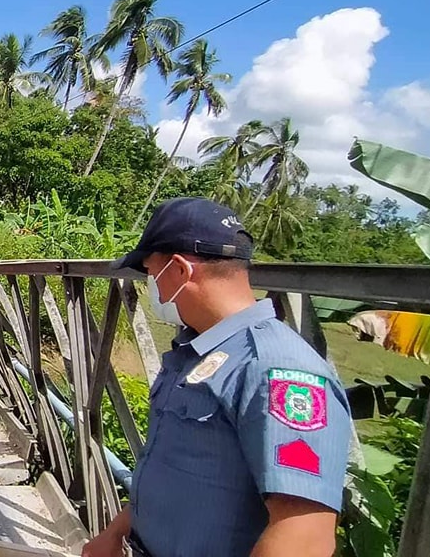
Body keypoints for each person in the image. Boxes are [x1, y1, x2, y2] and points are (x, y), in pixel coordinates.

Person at [85, 197, 350, 557]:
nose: (154, 290)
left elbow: (303, 536)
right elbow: (175, 470)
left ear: (180, 271)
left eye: (151, 274)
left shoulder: (276, 370)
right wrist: (116, 533)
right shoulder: (193, 352)